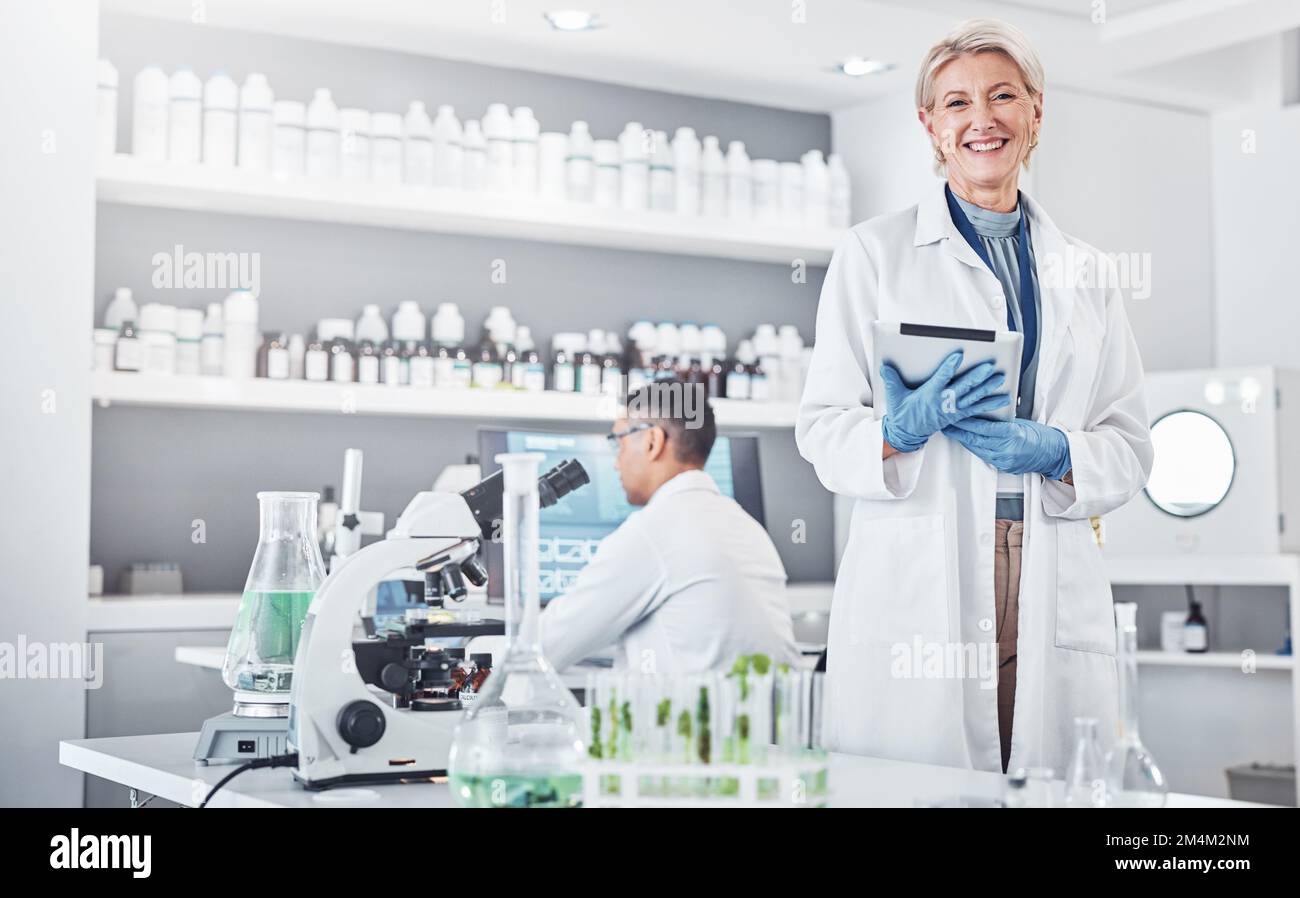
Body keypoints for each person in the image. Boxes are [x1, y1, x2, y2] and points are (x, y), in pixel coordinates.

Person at [796, 18, 1153, 775]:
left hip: (1048, 557)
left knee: (1048, 778)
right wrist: (898, 430)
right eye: (956, 104)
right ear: (930, 124)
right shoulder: (873, 254)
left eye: (1002, 97)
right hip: (923, 561)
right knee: (923, 780)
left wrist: (1057, 448)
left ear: (1035, 113)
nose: (981, 120)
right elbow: (823, 428)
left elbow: (1129, 442)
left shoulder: (1086, 272)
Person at [540, 381, 800, 674]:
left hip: (692, 718)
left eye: (619, 442)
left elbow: (545, 646)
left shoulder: (652, 533)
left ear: (652, 441)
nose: (616, 463)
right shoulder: (749, 528)